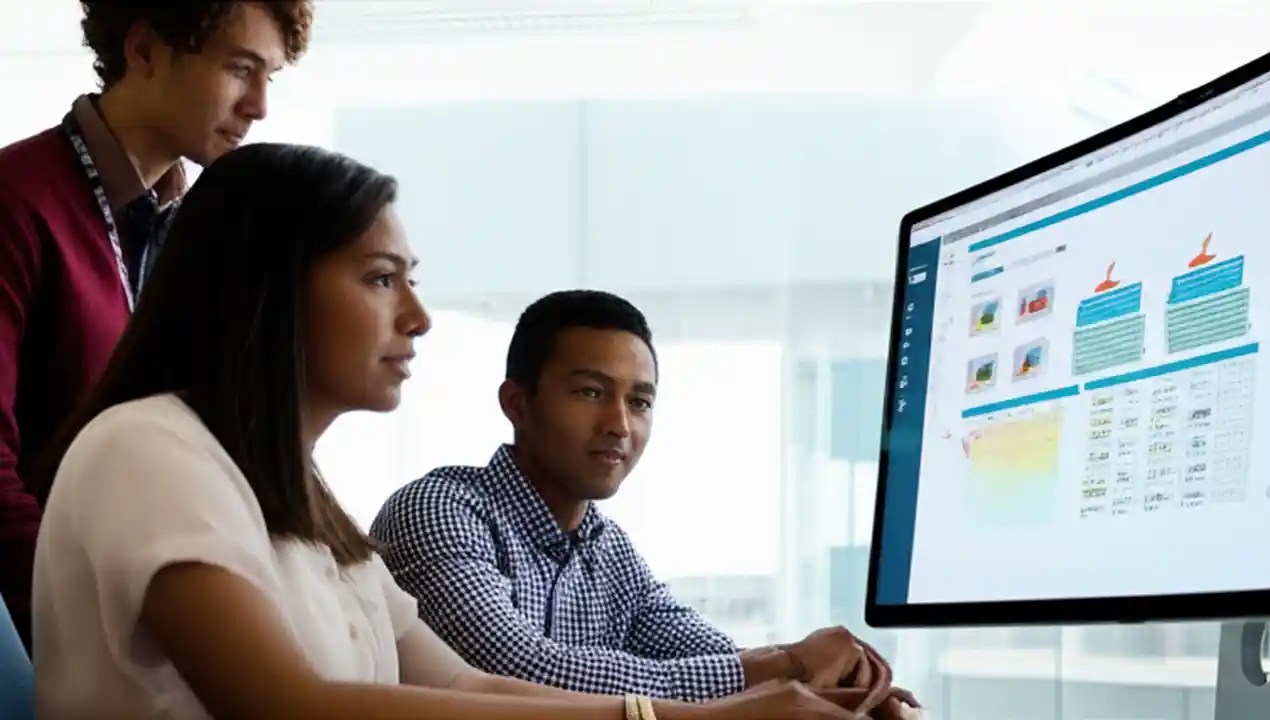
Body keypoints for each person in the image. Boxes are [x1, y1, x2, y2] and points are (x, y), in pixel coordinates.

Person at [31, 142, 885, 720]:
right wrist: (698, 717)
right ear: (266, 288)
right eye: (379, 279)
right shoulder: (148, 448)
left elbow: (465, 683)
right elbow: (289, 707)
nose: (418, 318)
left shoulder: (301, 501)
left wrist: (760, 686)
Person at [370, 290, 920, 719]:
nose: (619, 425)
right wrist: (788, 666)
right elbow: (514, 668)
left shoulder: (609, 550)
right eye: (589, 392)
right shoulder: (438, 508)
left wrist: (847, 687)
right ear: (517, 403)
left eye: (640, 401)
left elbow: (705, 653)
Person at [0, 1, 313, 651]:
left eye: (269, 77)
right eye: (238, 68)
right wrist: (92, 621)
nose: (259, 105)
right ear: (144, 50)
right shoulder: (15, 202)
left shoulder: (200, 232)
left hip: (160, 607)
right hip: (67, 634)